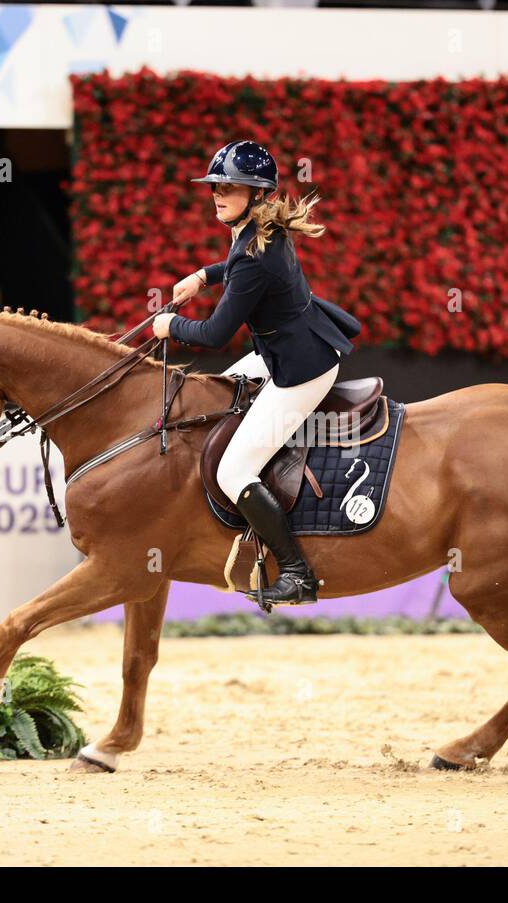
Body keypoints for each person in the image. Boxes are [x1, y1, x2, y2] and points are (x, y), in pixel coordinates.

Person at [153, 140, 362, 605]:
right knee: (218, 396)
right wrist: (204, 276)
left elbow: (213, 333)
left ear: (257, 193)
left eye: (229, 187)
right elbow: (237, 265)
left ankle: (297, 574)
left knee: (233, 471)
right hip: (285, 350)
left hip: (301, 370)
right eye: (215, 186)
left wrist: (169, 326)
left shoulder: (253, 252)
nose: (217, 194)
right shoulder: (260, 230)